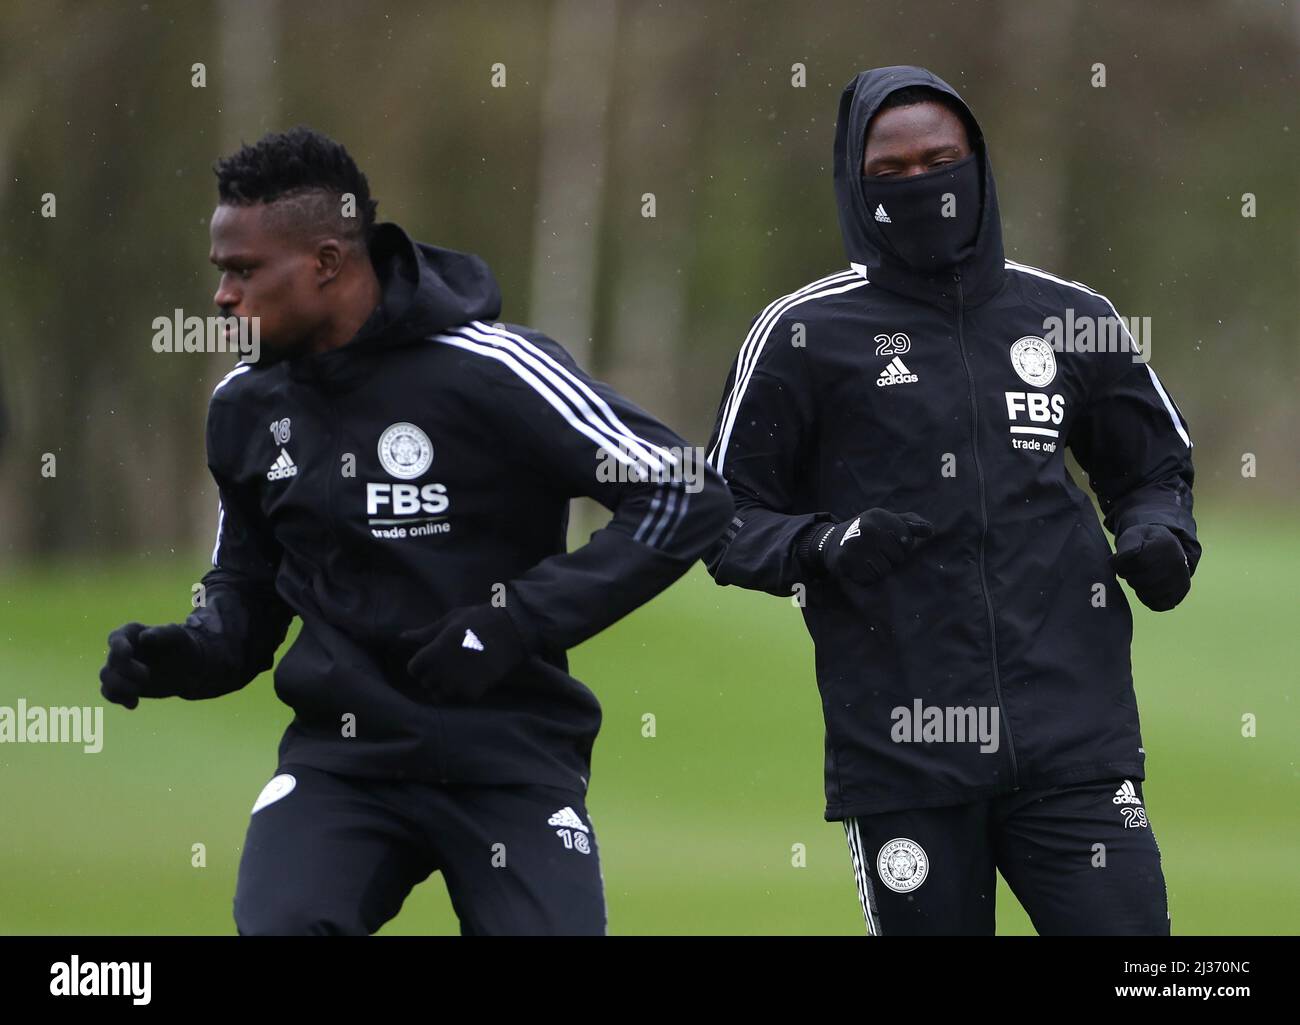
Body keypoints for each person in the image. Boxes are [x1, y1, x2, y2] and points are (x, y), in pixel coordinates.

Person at [98, 126, 732, 935]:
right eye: (222, 273)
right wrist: (190, 653)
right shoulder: (245, 408)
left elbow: (686, 491)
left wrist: (516, 621)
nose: (223, 297)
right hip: (344, 763)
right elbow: (248, 591)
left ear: (327, 261)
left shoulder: (492, 371)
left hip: (509, 761)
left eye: (244, 272)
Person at [705, 66, 1199, 935]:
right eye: (890, 174)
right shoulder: (803, 333)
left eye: (940, 160)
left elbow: (1153, 464)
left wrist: (1160, 531)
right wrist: (823, 544)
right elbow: (722, 517)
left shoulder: (1069, 316)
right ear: (855, 189)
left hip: (1076, 746)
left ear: (979, 165)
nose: (922, 185)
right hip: (904, 758)